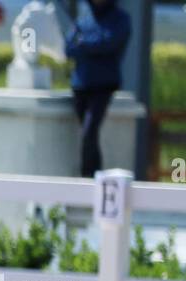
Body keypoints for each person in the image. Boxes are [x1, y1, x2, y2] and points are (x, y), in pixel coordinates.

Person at [64, 0, 131, 179]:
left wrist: (84, 43)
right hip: (80, 85)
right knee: (89, 136)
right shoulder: (84, 17)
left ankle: (88, 177)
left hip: (103, 85)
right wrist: (92, 43)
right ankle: (95, 176)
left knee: (89, 130)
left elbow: (108, 43)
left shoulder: (120, 18)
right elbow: (69, 48)